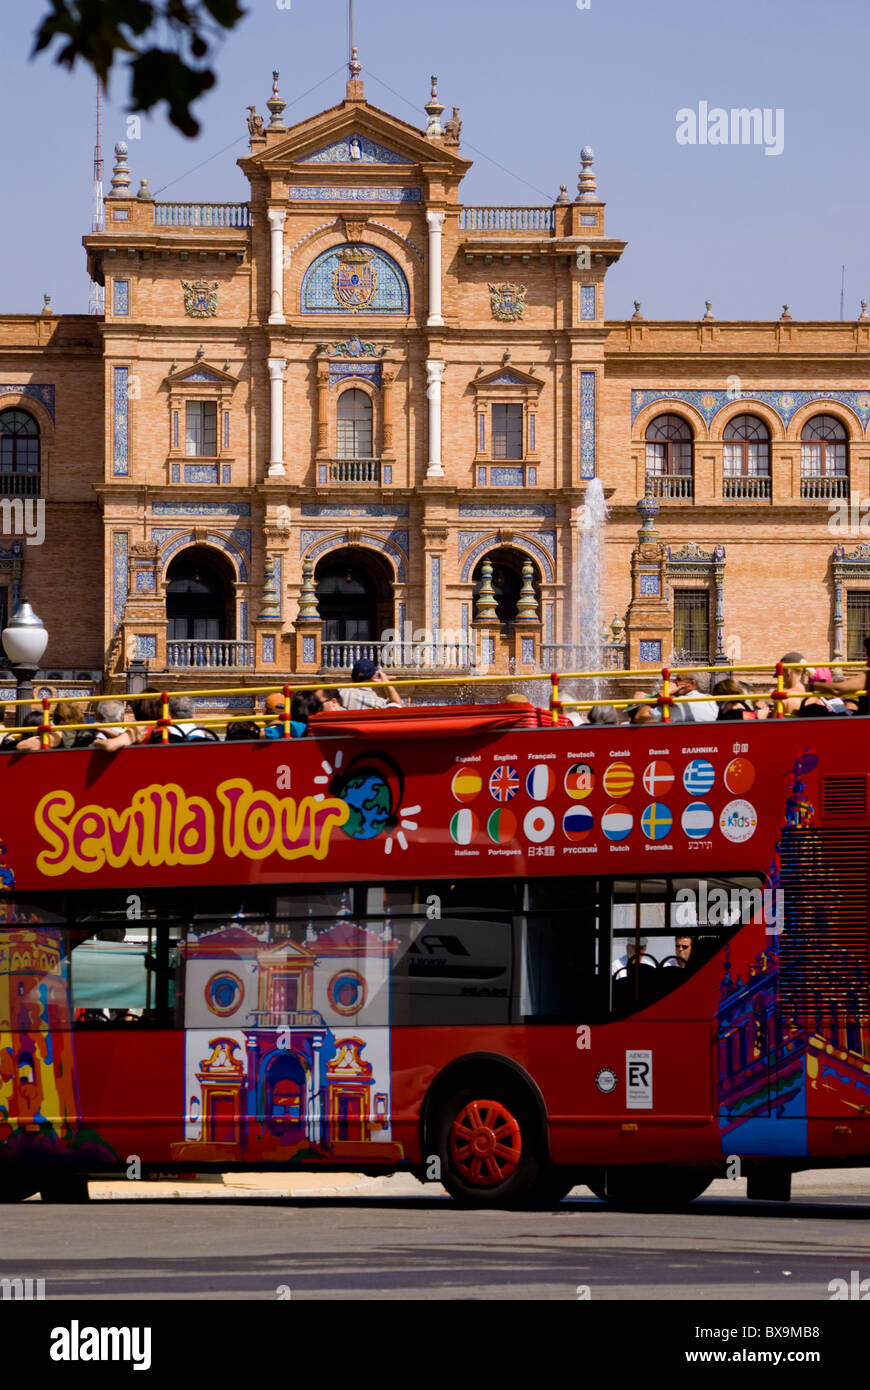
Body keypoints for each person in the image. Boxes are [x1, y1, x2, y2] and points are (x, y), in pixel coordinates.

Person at [13, 699, 85, 751]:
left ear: (57, 716)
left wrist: (39, 737)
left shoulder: (59, 735)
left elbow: (21, 746)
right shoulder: (83, 730)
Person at [338, 657, 402, 710]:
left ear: (352, 677)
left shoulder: (340, 693)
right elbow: (399, 707)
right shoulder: (377, 702)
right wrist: (386, 682)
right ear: (373, 677)